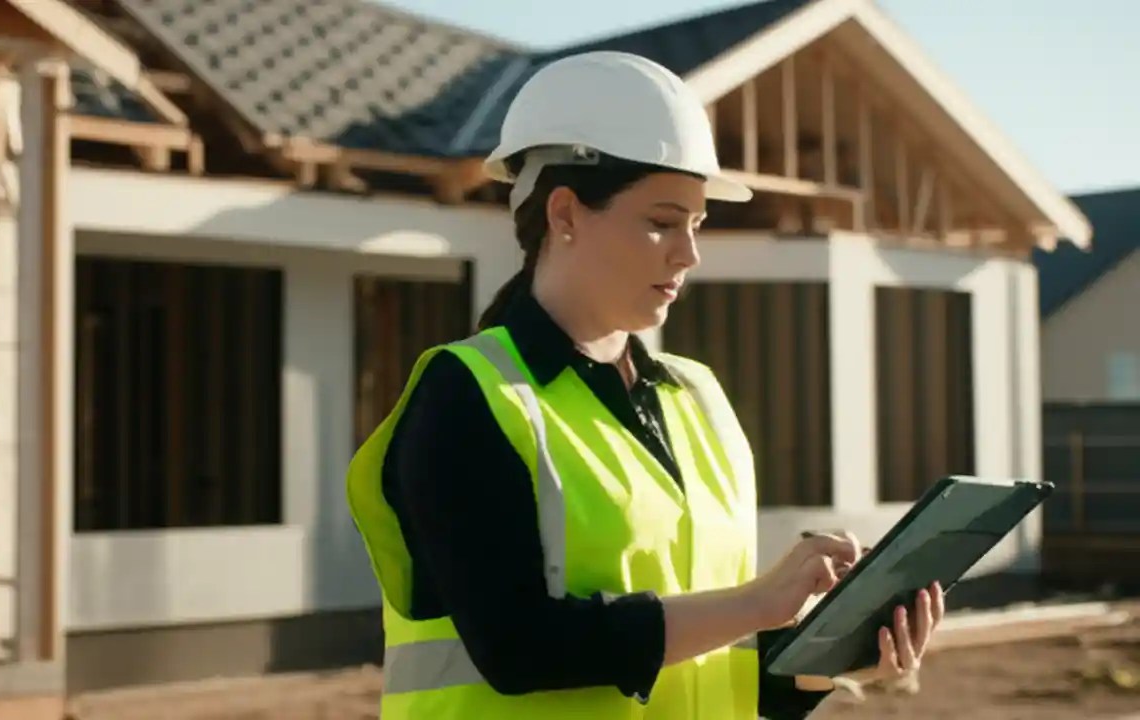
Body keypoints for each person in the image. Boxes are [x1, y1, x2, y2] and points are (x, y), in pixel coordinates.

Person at [346, 50, 945, 719]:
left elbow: (711, 670)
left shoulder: (700, 398)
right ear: (565, 214)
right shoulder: (468, 396)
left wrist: (826, 657)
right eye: (662, 221)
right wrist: (759, 601)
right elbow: (520, 649)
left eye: (696, 224)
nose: (688, 254)